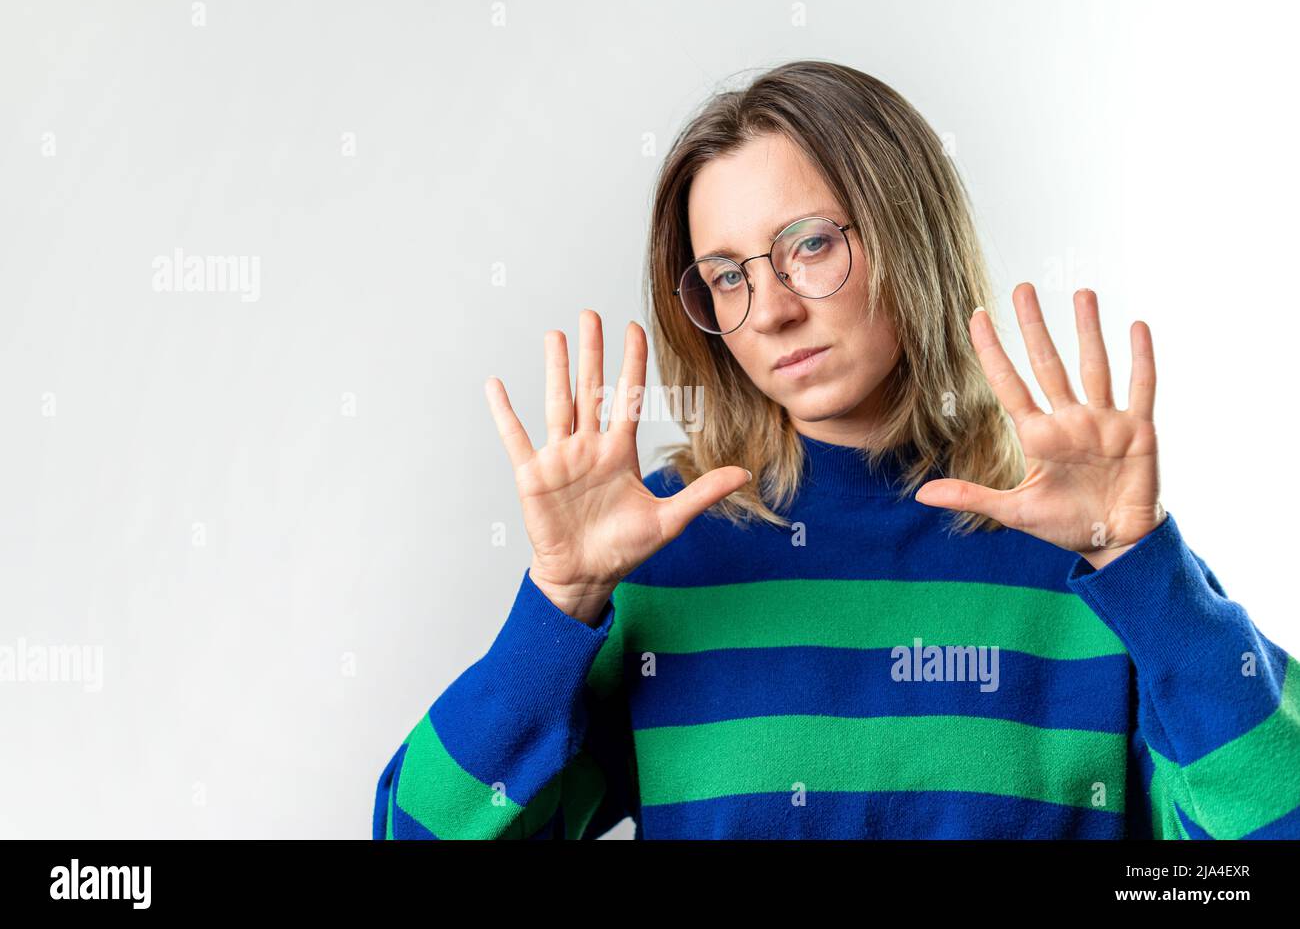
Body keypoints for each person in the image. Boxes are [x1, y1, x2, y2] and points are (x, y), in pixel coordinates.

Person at [373, 60, 1300, 839]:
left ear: (910, 231)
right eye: (726, 276)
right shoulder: (660, 551)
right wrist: (556, 610)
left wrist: (1145, 569)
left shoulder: (1087, 545)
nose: (770, 309)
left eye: (809, 245)